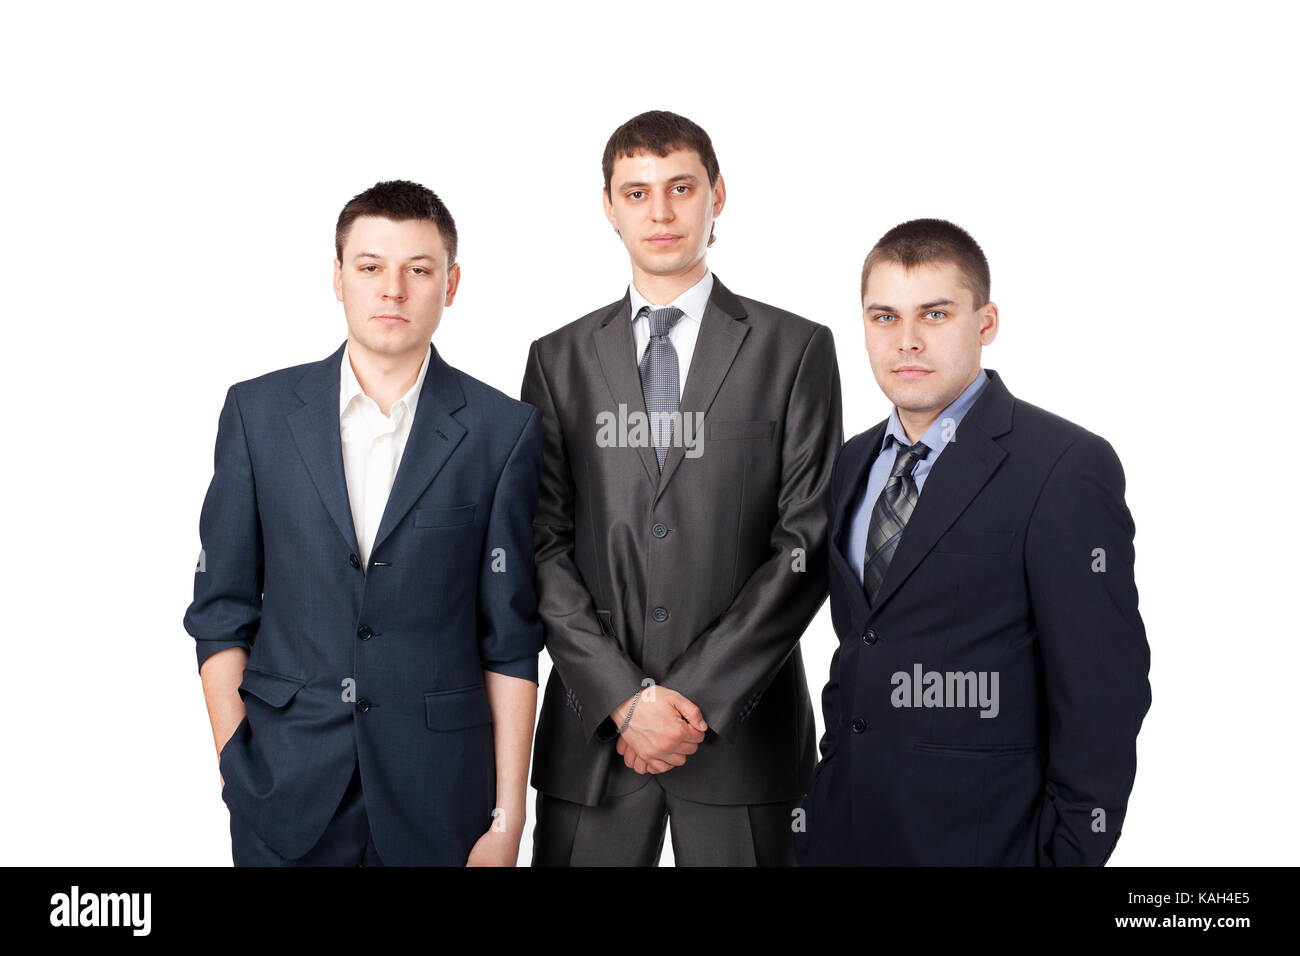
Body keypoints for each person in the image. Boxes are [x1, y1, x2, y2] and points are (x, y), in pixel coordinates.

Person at [184, 180, 543, 866]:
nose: (393, 290)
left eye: (419, 269)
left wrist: (507, 820)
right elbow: (220, 611)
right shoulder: (257, 417)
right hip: (283, 792)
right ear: (338, 279)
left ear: (452, 283)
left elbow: (511, 642)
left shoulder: (503, 432)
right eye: (371, 267)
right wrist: (238, 765)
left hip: (442, 799)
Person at [523, 110, 843, 866]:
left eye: (680, 188)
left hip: (744, 743)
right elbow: (539, 543)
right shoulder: (557, 360)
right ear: (609, 206)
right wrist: (624, 699)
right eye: (636, 193)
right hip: (594, 741)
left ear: (717, 195)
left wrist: (692, 697)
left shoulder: (795, 350)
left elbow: (807, 542)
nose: (660, 212)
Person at [796, 218, 1151, 866]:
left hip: (989, 844)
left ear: (985, 323)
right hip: (845, 834)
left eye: (935, 314)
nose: (906, 342)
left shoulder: (1063, 465)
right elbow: (862, 651)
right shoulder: (851, 463)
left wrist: (1066, 856)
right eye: (884, 317)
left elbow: (1104, 695)